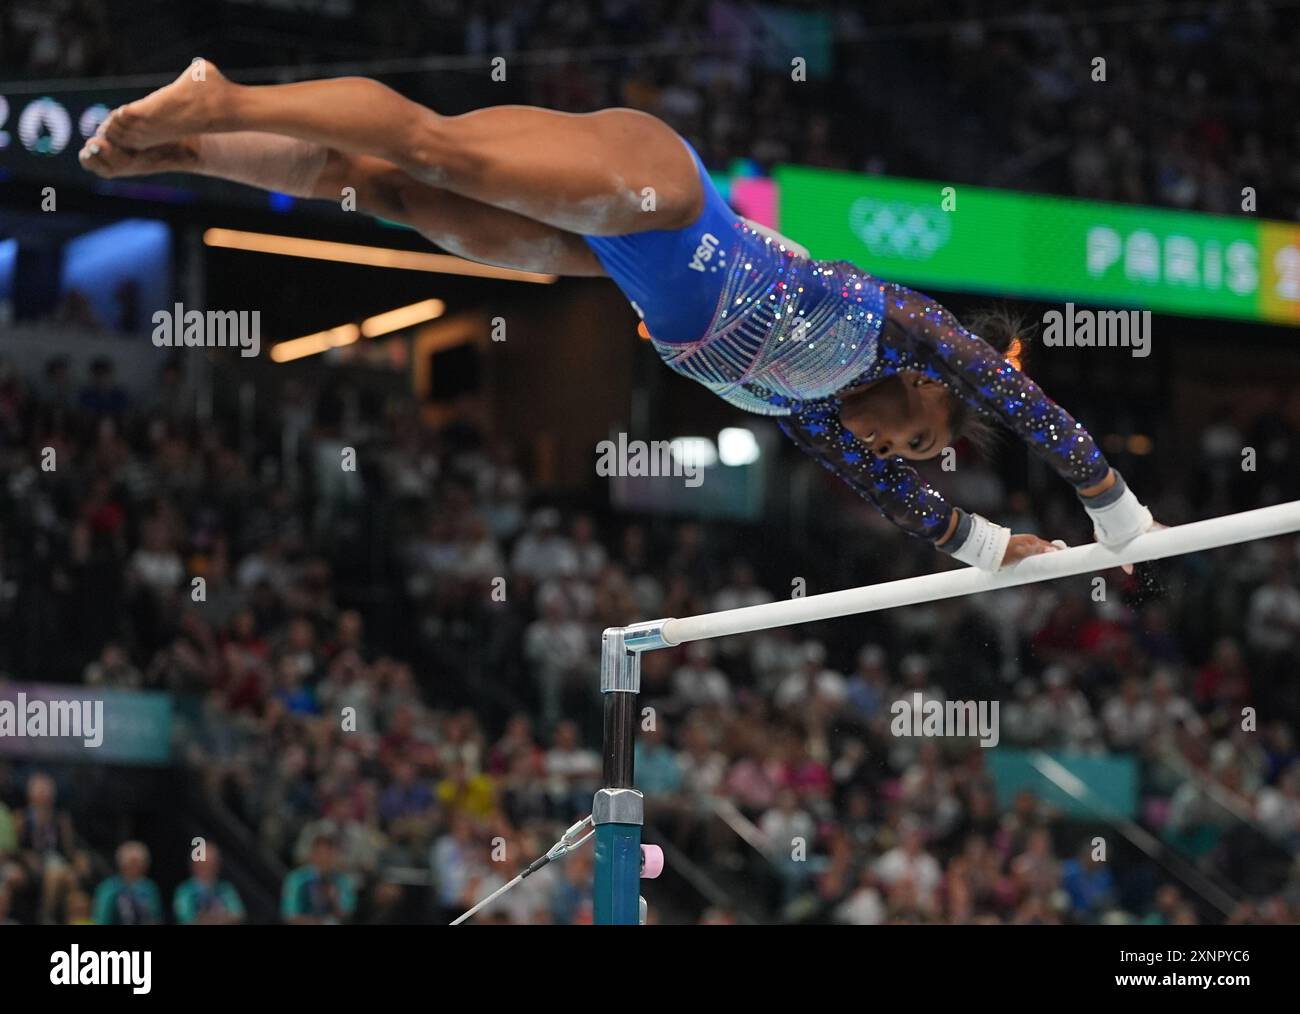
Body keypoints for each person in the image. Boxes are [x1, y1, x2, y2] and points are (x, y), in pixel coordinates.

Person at [83, 61, 1157, 571]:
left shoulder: (814, 413)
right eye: (922, 433)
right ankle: (222, 98)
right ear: (930, 383)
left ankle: (180, 149)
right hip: (660, 196)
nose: (902, 448)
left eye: (912, 453)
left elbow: (904, 505)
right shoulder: (898, 325)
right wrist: (1114, 515)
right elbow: (1013, 393)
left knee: (392, 194)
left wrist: (990, 550)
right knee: (436, 147)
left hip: (611, 259)